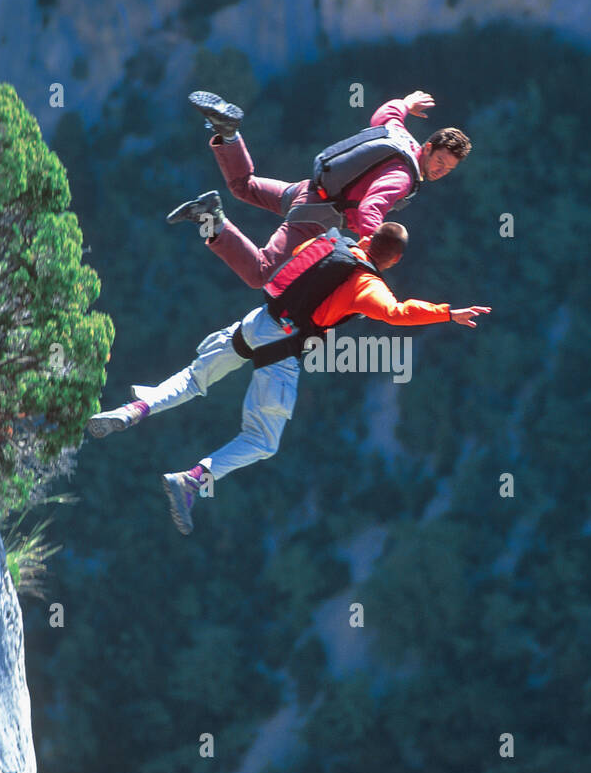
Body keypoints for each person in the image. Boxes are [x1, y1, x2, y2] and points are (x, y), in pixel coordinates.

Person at [87, 222, 490, 534]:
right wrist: (447, 313)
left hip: (256, 322)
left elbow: (293, 265)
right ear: (395, 260)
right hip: (284, 350)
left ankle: (131, 411)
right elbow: (397, 312)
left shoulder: (332, 244)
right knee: (262, 440)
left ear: (369, 238)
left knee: (192, 380)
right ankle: (192, 480)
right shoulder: (366, 284)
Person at [165, 89, 472, 288]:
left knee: (243, 186)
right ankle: (213, 220)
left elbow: (386, 114)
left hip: (308, 191)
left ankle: (229, 133)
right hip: (317, 215)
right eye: (440, 162)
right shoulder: (403, 176)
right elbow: (371, 207)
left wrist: (406, 104)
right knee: (260, 273)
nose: (440, 171)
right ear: (428, 148)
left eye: (448, 169)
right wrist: (370, 249)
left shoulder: (400, 134)